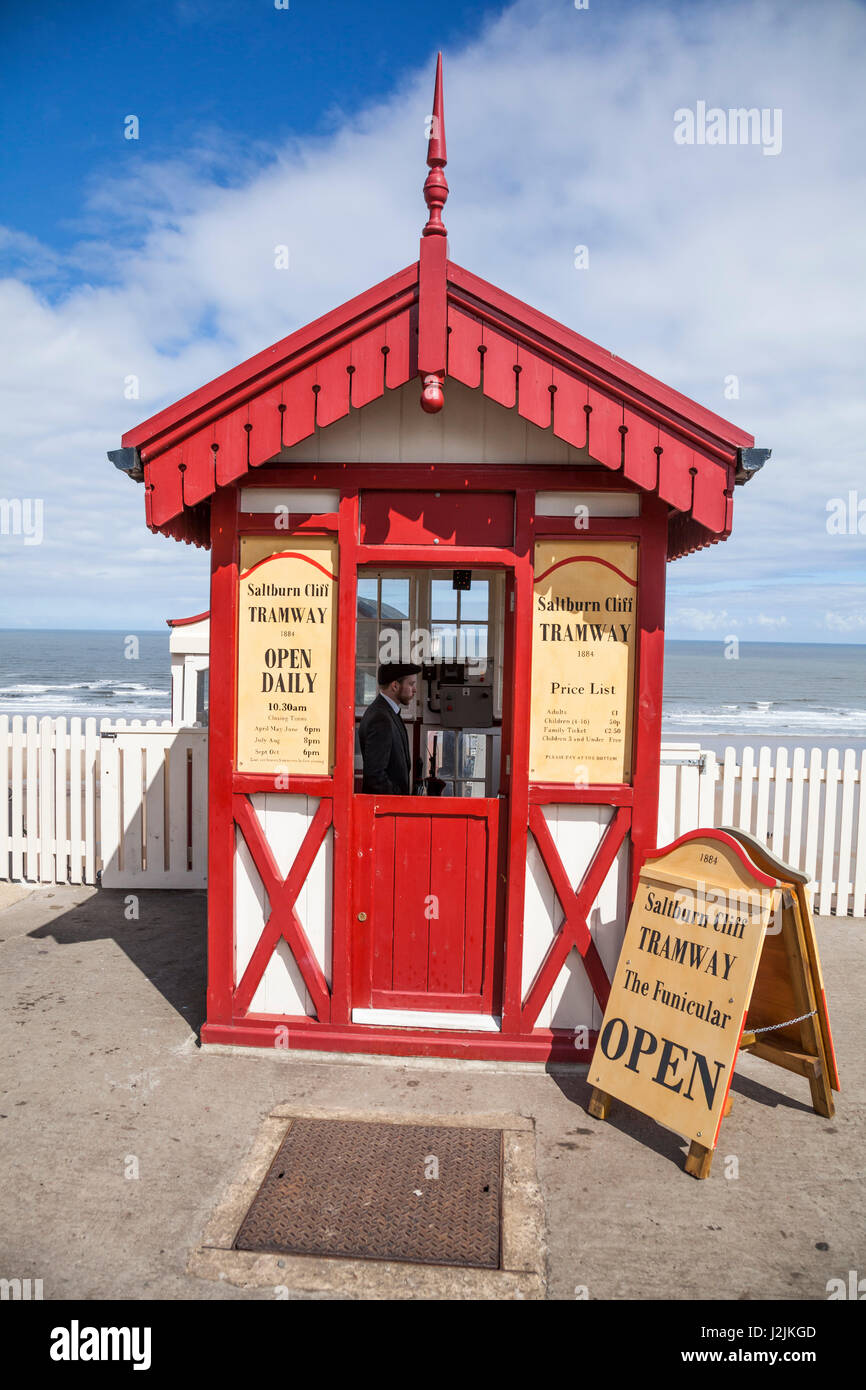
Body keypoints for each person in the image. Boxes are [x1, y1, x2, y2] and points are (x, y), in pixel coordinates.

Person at [358, 663, 421, 795]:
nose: (414, 690)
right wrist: (398, 800)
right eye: (411, 684)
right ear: (395, 686)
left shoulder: (387, 712)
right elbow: (375, 776)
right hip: (386, 809)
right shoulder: (380, 718)